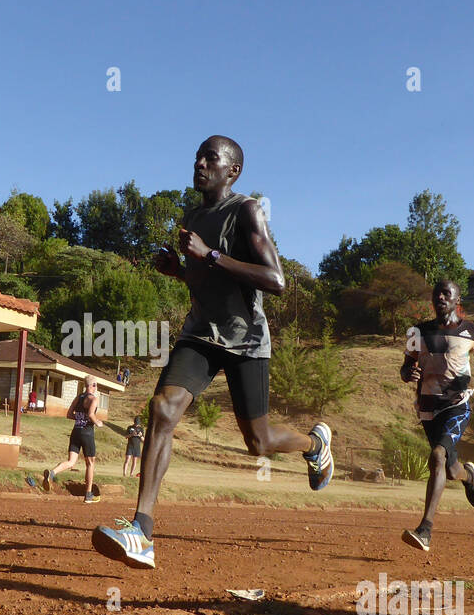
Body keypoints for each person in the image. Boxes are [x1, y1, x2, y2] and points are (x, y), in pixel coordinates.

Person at [91, 136, 334, 569]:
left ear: (232, 171)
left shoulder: (247, 210)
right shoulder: (193, 217)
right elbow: (206, 277)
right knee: (162, 409)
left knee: (257, 443)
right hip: (200, 334)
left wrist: (210, 254)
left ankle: (313, 444)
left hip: (245, 341)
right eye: (198, 156)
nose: (199, 162)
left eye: (210, 158)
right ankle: (142, 532)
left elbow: (276, 279)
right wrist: (181, 271)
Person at [400, 280, 474, 553]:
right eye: (436, 293)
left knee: (437, 456)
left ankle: (425, 529)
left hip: (457, 405)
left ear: (457, 299)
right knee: (450, 469)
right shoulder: (418, 331)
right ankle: (467, 477)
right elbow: (406, 367)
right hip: (428, 408)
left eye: (446, 293)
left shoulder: (472, 330)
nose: (440, 297)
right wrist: (409, 373)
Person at [43, 375, 103, 504]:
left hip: (75, 431)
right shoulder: (94, 399)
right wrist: (97, 422)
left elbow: (69, 414)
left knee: (71, 462)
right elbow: (91, 414)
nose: (96, 387)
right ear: (93, 386)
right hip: (87, 433)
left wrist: (79, 418)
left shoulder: (78, 397)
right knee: (90, 463)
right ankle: (88, 494)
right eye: (96, 385)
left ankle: (52, 473)